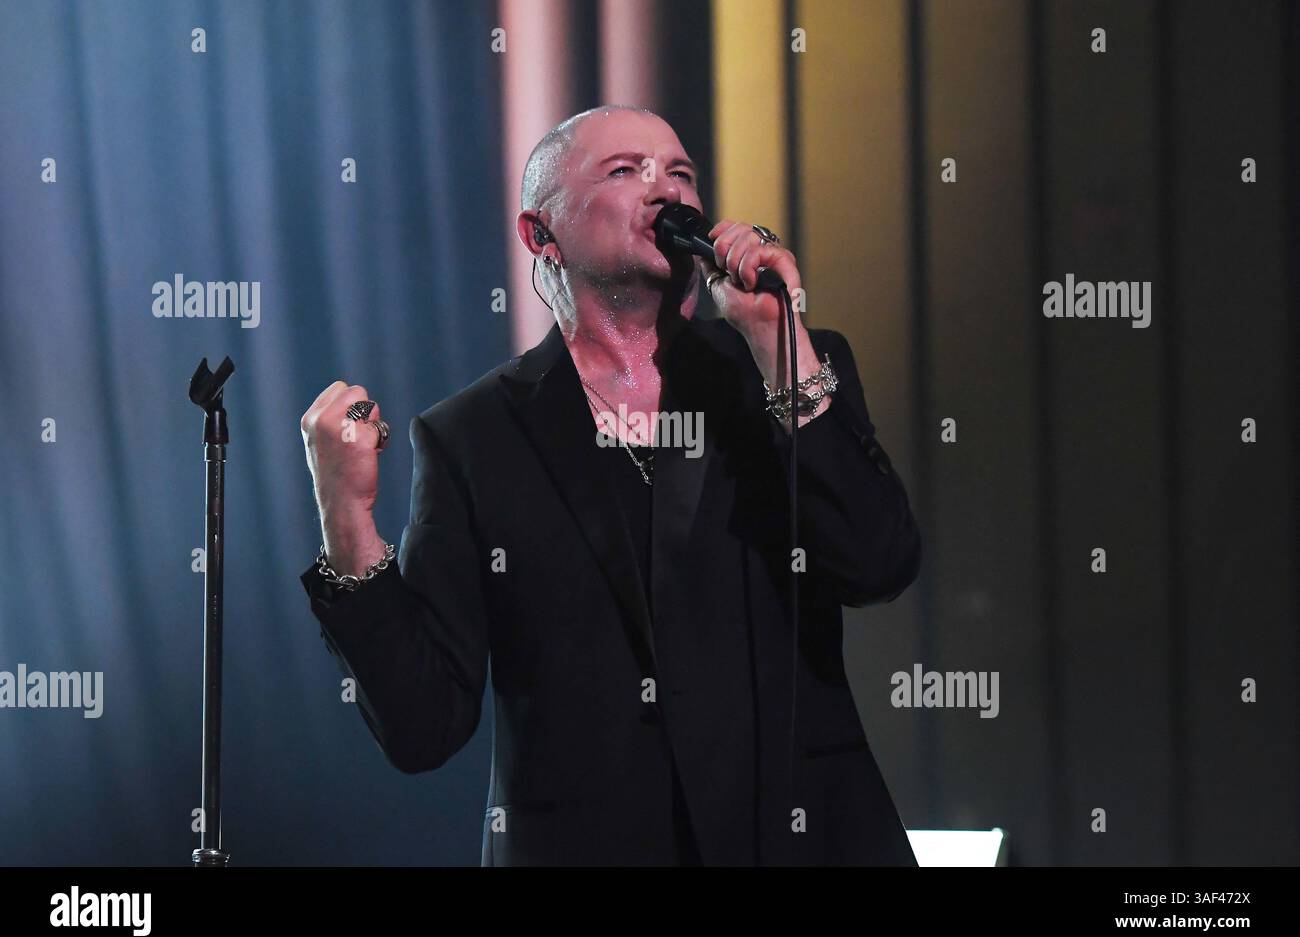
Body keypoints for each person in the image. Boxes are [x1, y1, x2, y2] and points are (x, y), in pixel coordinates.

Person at [299, 105, 922, 866]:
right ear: (541, 234)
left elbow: (880, 563)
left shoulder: (785, 370)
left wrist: (779, 351)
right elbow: (425, 725)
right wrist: (347, 517)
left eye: (681, 173)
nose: (666, 191)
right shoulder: (473, 436)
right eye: (626, 171)